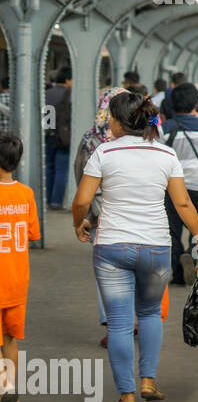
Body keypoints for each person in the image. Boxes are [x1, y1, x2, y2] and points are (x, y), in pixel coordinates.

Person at [71, 92, 198, 402]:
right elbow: (183, 203)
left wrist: (81, 224)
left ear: (118, 122)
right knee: (149, 314)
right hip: (155, 247)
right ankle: (148, 380)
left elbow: (81, 200)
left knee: (119, 324)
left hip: (112, 248)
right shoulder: (165, 154)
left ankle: (127, 397)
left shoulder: (104, 152)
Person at [75, 86, 127, 348]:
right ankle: (133, 320)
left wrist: (83, 216)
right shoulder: (141, 138)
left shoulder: (90, 139)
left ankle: (112, 324)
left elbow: (80, 177)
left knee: (105, 273)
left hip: (100, 216)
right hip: (134, 215)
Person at [0, 132, 40, 402]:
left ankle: (1, 391)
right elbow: (32, 233)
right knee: (11, 338)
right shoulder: (25, 193)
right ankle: (11, 391)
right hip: (17, 279)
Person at [160, 83, 198, 285]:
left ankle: (176, 274)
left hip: (171, 187)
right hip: (196, 185)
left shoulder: (165, 128)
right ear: (196, 103)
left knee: (173, 231)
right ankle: (196, 263)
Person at [44, 66, 73, 209]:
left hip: (48, 135)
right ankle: (56, 201)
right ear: (68, 80)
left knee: (49, 168)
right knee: (61, 170)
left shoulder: (46, 94)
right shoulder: (70, 96)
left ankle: (47, 199)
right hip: (64, 138)